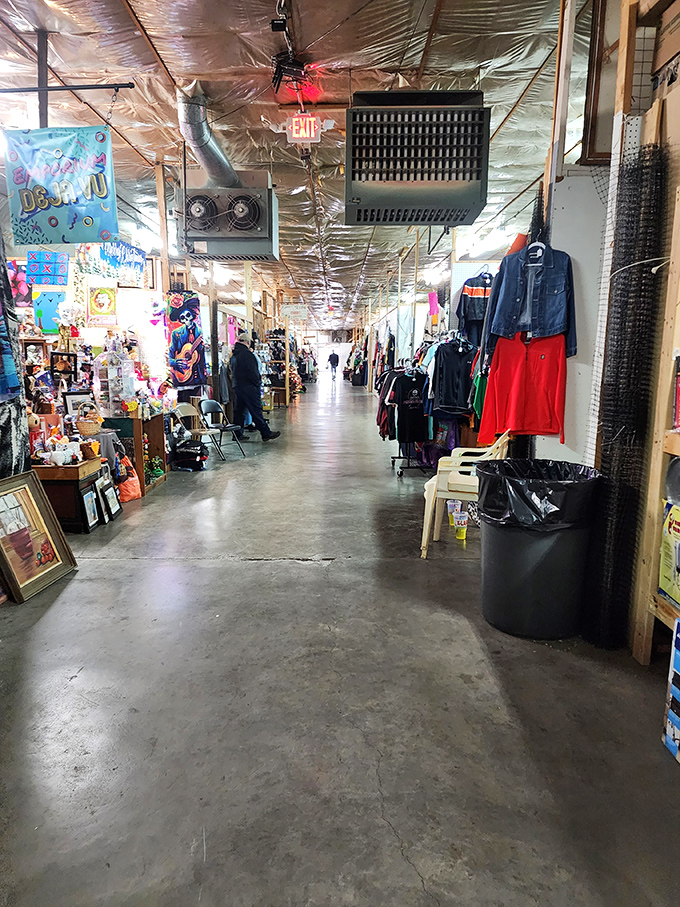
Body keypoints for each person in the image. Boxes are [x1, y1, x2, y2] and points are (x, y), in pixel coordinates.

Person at [230, 331, 280, 442]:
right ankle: (265, 433)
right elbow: (252, 372)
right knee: (256, 410)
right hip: (249, 387)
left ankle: (237, 434)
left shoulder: (234, 354)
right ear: (248, 342)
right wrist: (257, 382)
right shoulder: (248, 355)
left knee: (239, 411)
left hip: (238, 386)